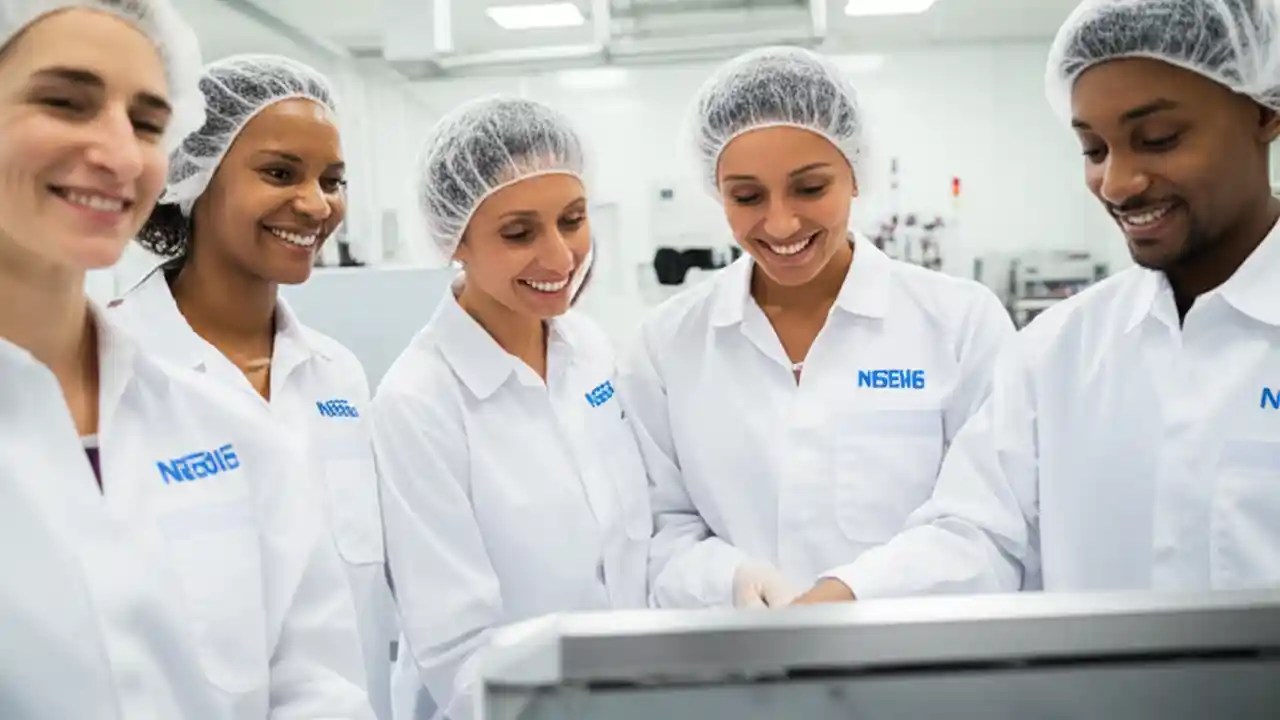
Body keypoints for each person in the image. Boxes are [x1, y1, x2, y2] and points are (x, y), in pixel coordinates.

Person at [0, 2, 372, 719]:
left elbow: (316, 686)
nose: (120, 153)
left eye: (148, 123)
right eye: (65, 103)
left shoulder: (229, 430)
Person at [836, 0, 1280, 598]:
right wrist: (845, 598)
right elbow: (982, 535)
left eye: (1158, 139)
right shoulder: (1056, 351)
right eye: (1094, 150)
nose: (1116, 184)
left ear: (1264, 109)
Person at [622, 46, 1014, 609]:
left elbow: (989, 526)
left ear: (856, 175)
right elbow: (660, 531)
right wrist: (731, 579)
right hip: (740, 653)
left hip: (909, 653)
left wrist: (853, 593)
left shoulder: (959, 323)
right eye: (747, 196)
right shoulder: (667, 344)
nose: (781, 223)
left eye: (810, 188)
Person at [107, 53, 394, 717]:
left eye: (333, 180)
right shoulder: (112, 375)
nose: (317, 204)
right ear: (193, 175)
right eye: (280, 173)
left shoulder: (338, 376)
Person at [372, 96, 650, 720]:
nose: (560, 257)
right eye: (519, 233)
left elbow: (629, 549)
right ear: (455, 240)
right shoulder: (419, 403)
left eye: (573, 220)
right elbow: (458, 651)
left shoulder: (588, 348)